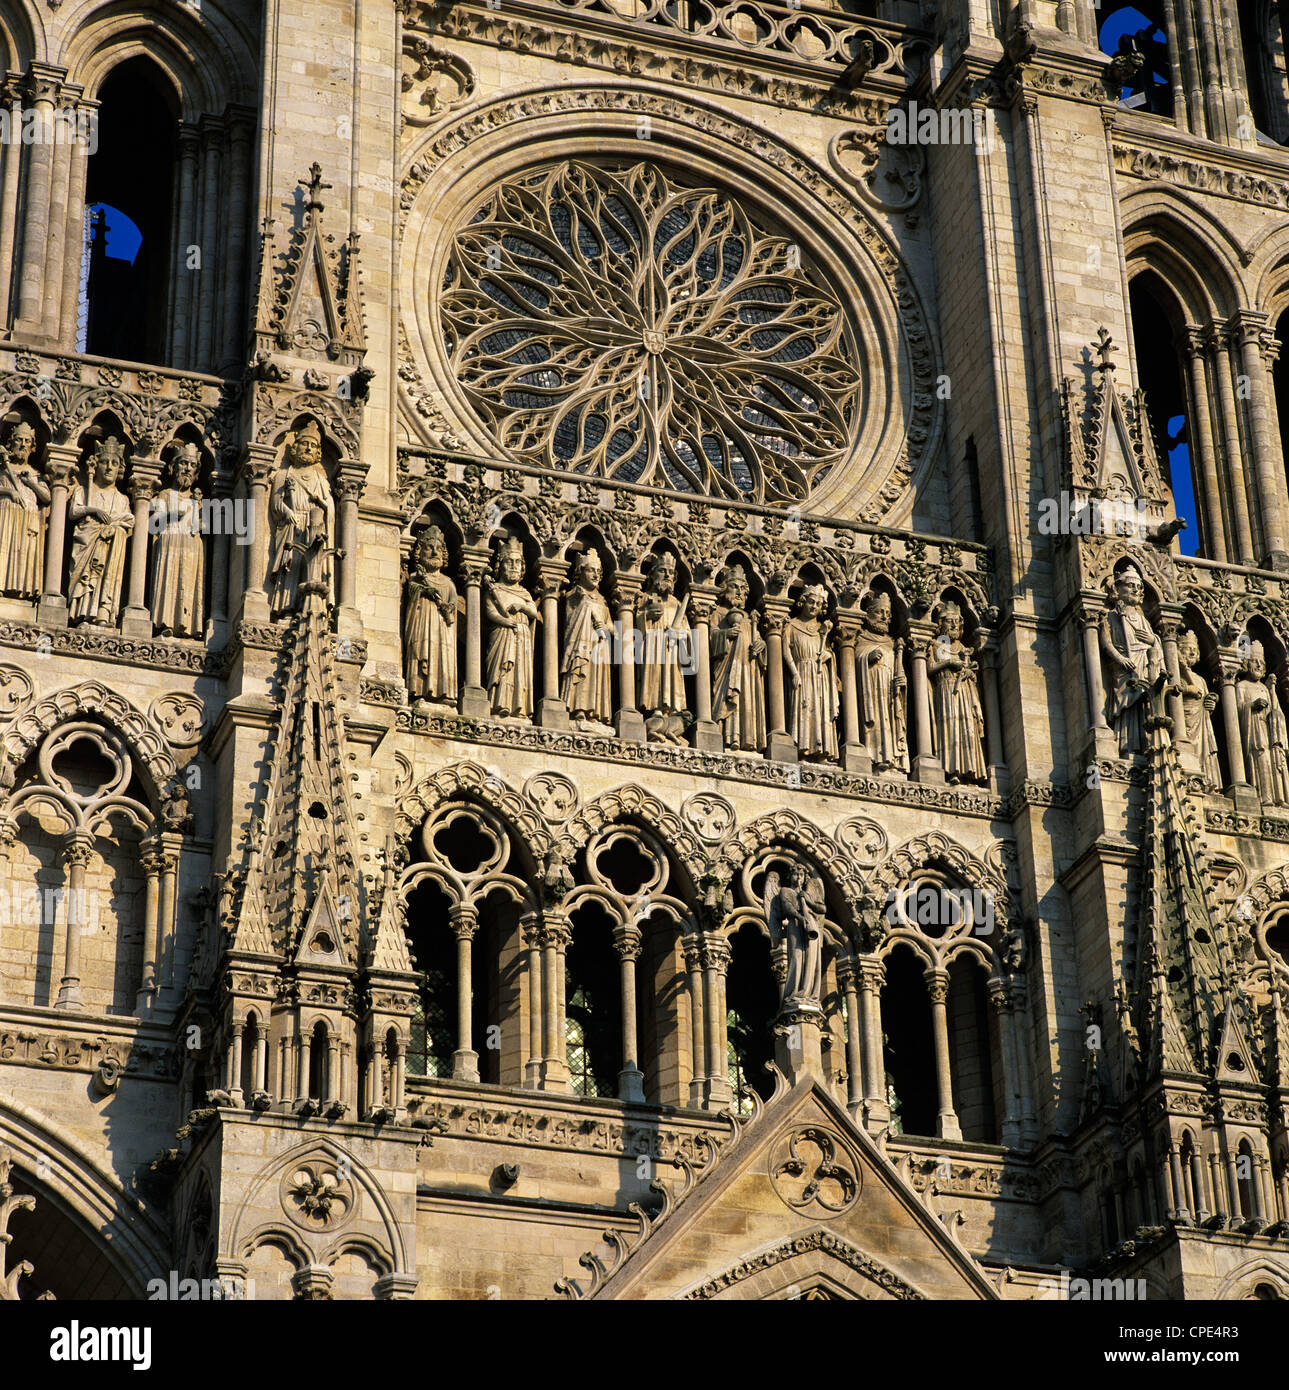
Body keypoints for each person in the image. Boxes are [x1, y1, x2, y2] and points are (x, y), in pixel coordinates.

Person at [268, 420, 334, 616]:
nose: (308, 448)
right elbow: (276, 504)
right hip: (292, 527)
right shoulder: (282, 475)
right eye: (304, 444)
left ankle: (313, 608)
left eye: (313, 446)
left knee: (311, 567)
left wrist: (320, 503)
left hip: (314, 526)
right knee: (292, 566)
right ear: (295, 448)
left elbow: (330, 506)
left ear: (318, 453)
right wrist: (289, 513)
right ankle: (288, 607)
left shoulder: (320, 480)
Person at [1099, 564, 1164, 755]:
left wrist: (1153, 640)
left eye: (1138, 586)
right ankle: (1128, 745)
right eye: (1130, 585)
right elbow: (1106, 642)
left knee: (1146, 701)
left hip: (1143, 662)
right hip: (1124, 667)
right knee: (1128, 704)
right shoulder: (1111, 616)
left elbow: (1154, 643)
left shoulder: (1142, 618)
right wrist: (1120, 659)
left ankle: (1148, 743)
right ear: (1117, 589)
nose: (1136, 590)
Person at [68, 437, 133, 626]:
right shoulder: (83, 491)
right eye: (104, 462)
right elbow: (74, 511)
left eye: (114, 463)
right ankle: (81, 612)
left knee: (104, 580)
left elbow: (129, 521)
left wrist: (113, 529)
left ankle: (102, 613)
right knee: (85, 578)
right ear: (96, 465)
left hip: (110, 551)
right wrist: (93, 510)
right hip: (86, 546)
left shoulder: (122, 499)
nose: (109, 467)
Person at [927, 599, 987, 783]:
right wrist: (948, 662)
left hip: (964, 692)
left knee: (967, 728)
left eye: (957, 621)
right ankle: (951, 769)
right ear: (940, 624)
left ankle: (970, 770)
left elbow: (971, 672)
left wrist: (969, 671)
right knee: (950, 727)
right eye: (949, 621)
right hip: (946, 690)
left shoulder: (962, 647)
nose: (954, 624)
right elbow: (929, 668)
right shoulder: (938, 644)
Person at [149, 443, 206, 638]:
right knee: (170, 584)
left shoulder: (195, 500)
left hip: (191, 546)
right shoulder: (165, 494)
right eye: (183, 463)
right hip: (169, 544)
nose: (188, 468)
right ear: (174, 467)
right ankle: (165, 622)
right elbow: (154, 521)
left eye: (192, 465)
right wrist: (174, 514)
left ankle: (186, 625)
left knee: (187, 586)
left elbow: (198, 526)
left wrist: (201, 521)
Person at [710, 564, 766, 753]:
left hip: (748, 671)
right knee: (727, 697)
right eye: (735, 587)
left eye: (743, 590)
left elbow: (757, 641)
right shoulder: (715, 612)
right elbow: (706, 638)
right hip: (726, 669)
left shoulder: (750, 619)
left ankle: (747, 739)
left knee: (746, 702)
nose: (739, 593)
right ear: (725, 588)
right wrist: (724, 634)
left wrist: (761, 646)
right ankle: (725, 735)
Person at [484, 537, 539, 718]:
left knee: (520, 672)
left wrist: (522, 607)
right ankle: (500, 703)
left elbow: (533, 611)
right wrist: (504, 621)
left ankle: (519, 707)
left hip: (521, 634)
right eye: (509, 562)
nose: (514, 566)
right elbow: (490, 611)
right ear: (501, 565)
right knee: (502, 669)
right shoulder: (495, 589)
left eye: (518, 562)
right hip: (503, 633)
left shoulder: (524, 593)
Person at [854, 590, 908, 773]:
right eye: (879, 612)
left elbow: (897, 669)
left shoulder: (892, 642)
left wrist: (901, 680)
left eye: (888, 614)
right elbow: (850, 662)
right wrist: (866, 658)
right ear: (868, 614)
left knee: (889, 720)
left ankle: (891, 758)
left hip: (888, 690)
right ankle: (872, 756)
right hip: (869, 687)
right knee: (874, 721)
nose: (885, 617)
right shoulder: (860, 637)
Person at [783, 584, 839, 761]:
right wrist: (794, 673)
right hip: (802, 671)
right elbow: (785, 651)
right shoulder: (791, 625)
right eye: (811, 602)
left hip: (820, 675)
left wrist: (827, 655)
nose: (814, 606)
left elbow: (830, 653)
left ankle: (821, 749)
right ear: (803, 602)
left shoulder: (823, 630)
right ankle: (803, 747)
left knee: (820, 709)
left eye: (817, 604)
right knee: (804, 706)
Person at [403, 526, 458, 705]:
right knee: (422, 651)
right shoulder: (414, 577)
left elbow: (453, 607)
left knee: (441, 655)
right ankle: (419, 690)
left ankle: (444, 693)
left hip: (442, 627)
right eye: (429, 547)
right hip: (422, 621)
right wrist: (423, 589)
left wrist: (446, 607)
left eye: (439, 548)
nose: (435, 552)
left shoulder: (448, 583)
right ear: (420, 552)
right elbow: (411, 595)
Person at [0, 421, 48, 599]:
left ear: (33, 446)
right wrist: (9, 491)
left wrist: (30, 484)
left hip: (28, 519)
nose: (22, 444)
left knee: (23, 554)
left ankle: (21, 591)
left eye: (27, 441)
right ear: (11, 443)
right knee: (4, 550)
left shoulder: (35, 473)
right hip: (6, 515)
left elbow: (47, 497)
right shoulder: (4, 470)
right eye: (19, 440)